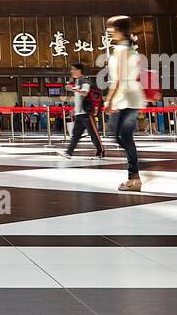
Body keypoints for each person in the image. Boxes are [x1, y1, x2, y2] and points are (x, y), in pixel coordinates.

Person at [103, 16, 145, 192]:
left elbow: (118, 79)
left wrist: (108, 99)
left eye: (111, 28)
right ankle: (134, 175)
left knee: (120, 137)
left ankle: (134, 176)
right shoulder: (130, 49)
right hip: (132, 97)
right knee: (124, 137)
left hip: (124, 98)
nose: (108, 31)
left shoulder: (121, 50)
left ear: (119, 30)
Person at [61, 62, 104, 159]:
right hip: (79, 114)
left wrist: (73, 89)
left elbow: (85, 93)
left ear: (79, 70)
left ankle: (100, 151)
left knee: (93, 133)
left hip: (86, 113)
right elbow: (79, 98)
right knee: (75, 134)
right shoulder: (78, 81)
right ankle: (69, 152)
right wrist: (75, 109)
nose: (71, 71)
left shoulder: (84, 80)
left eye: (73, 69)